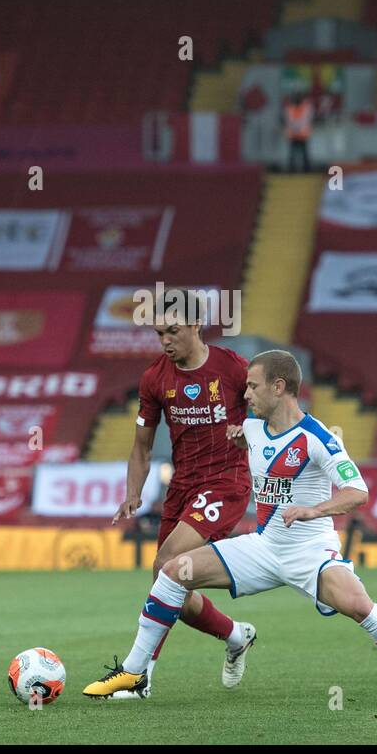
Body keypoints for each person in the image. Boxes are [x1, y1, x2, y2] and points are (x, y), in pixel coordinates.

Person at [86, 348, 377, 707]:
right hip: (265, 547)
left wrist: (313, 510)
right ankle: (135, 673)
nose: (246, 393)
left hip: (310, 552)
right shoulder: (251, 429)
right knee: (171, 572)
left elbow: (359, 492)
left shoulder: (317, 437)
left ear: (279, 386)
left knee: (359, 606)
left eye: (252, 386)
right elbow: (251, 447)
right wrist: (238, 441)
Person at [106, 287, 257, 698]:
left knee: (168, 562)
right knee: (168, 583)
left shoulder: (233, 368)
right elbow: (141, 444)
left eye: (172, 331)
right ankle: (235, 634)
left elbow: (272, 410)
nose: (165, 341)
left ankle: (140, 676)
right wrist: (133, 493)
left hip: (226, 482)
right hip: (183, 487)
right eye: (159, 334)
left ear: (195, 325)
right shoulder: (155, 377)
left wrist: (252, 433)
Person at [283, 92, 313, 172]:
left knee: (304, 154)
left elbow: (306, 119)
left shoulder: (306, 108)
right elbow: (289, 120)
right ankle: (292, 169)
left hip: (301, 135)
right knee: (293, 154)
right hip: (294, 135)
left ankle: (306, 169)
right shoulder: (290, 109)